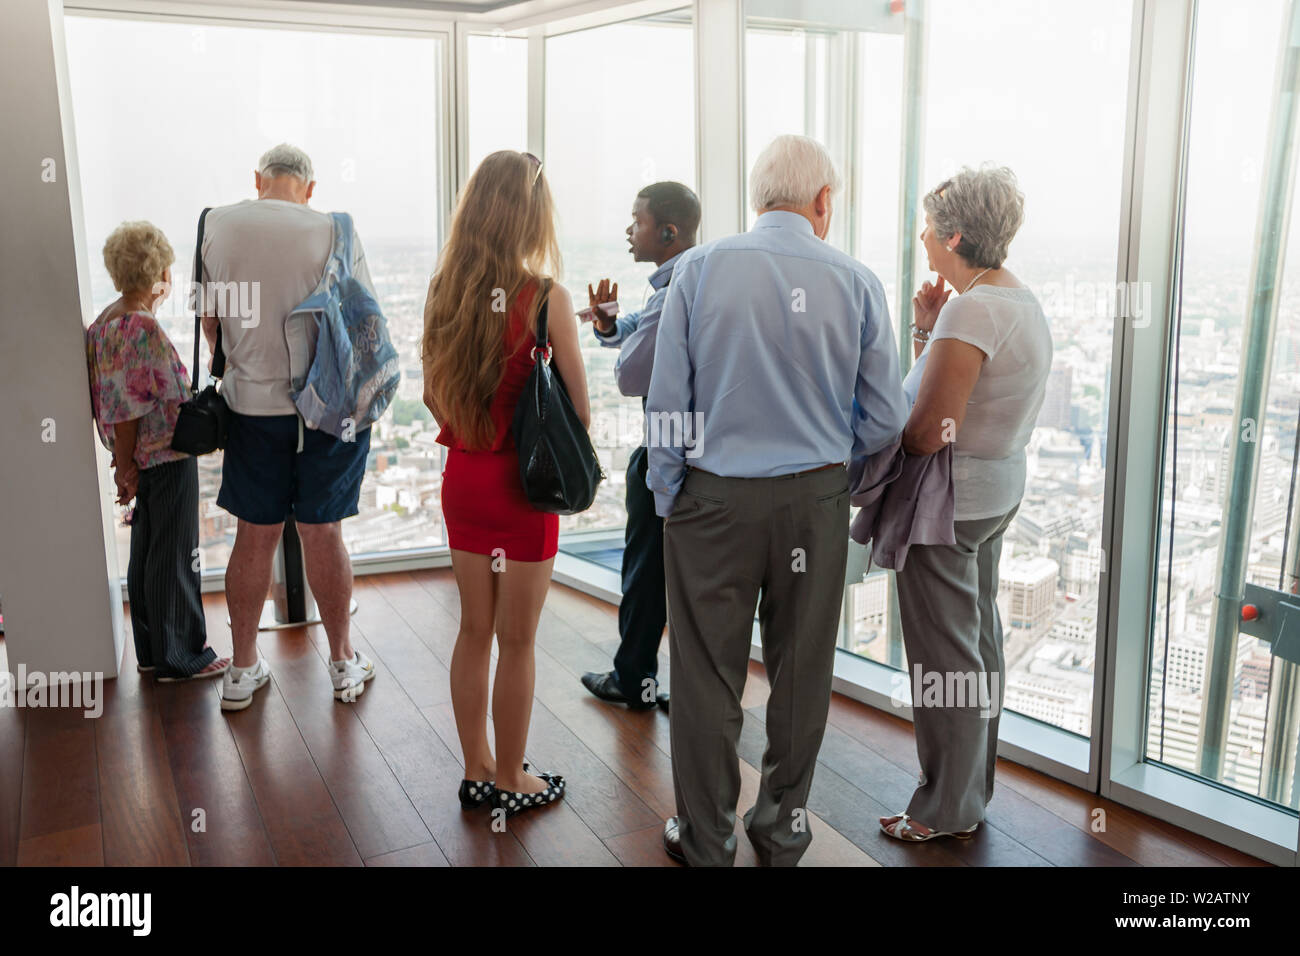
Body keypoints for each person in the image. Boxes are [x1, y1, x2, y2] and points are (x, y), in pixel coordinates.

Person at [646, 135, 909, 866]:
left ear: (758, 198)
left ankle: (705, 841)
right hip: (814, 503)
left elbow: (668, 403)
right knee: (802, 673)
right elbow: (886, 418)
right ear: (822, 202)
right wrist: (835, 474)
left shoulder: (697, 271)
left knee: (704, 678)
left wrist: (673, 496)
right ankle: (781, 828)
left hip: (711, 502)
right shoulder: (857, 282)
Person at [880, 165, 1052, 842]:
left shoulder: (972, 308)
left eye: (927, 225)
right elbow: (966, 398)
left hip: (950, 504)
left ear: (953, 234)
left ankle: (942, 808)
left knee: (944, 662)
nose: (922, 238)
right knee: (978, 646)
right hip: (994, 495)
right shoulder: (1016, 300)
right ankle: (969, 793)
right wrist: (926, 333)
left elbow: (929, 429)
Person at [422, 150, 590, 818]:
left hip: (464, 477)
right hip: (525, 489)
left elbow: (435, 398)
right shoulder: (546, 298)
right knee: (517, 642)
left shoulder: (444, 291)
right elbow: (576, 411)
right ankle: (514, 777)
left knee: (474, 631)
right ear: (530, 213)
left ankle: (476, 771)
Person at [199, 143, 378, 711]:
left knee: (254, 535)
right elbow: (362, 322)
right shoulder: (334, 228)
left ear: (258, 179)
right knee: (324, 533)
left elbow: (211, 329)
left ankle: (243, 668)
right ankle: (344, 664)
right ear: (309, 187)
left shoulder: (213, 225)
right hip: (324, 413)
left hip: (252, 411)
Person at [87, 221, 229, 682]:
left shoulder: (102, 323)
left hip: (139, 456)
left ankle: (152, 651)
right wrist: (126, 465)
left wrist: (122, 461)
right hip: (163, 456)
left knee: (148, 553)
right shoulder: (141, 326)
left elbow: (110, 405)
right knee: (175, 555)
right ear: (157, 271)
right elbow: (129, 406)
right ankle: (182, 657)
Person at [580, 181, 701, 713]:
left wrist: (619, 341)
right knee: (697, 580)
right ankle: (697, 690)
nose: (629, 230)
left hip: (665, 452)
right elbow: (645, 331)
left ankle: (633, 679)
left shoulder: (674, 287)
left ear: (668, 231)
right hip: (708, 454)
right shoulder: (698, 279)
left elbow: (632, 374)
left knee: (645, 569)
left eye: (638, 220)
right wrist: (615, 325)